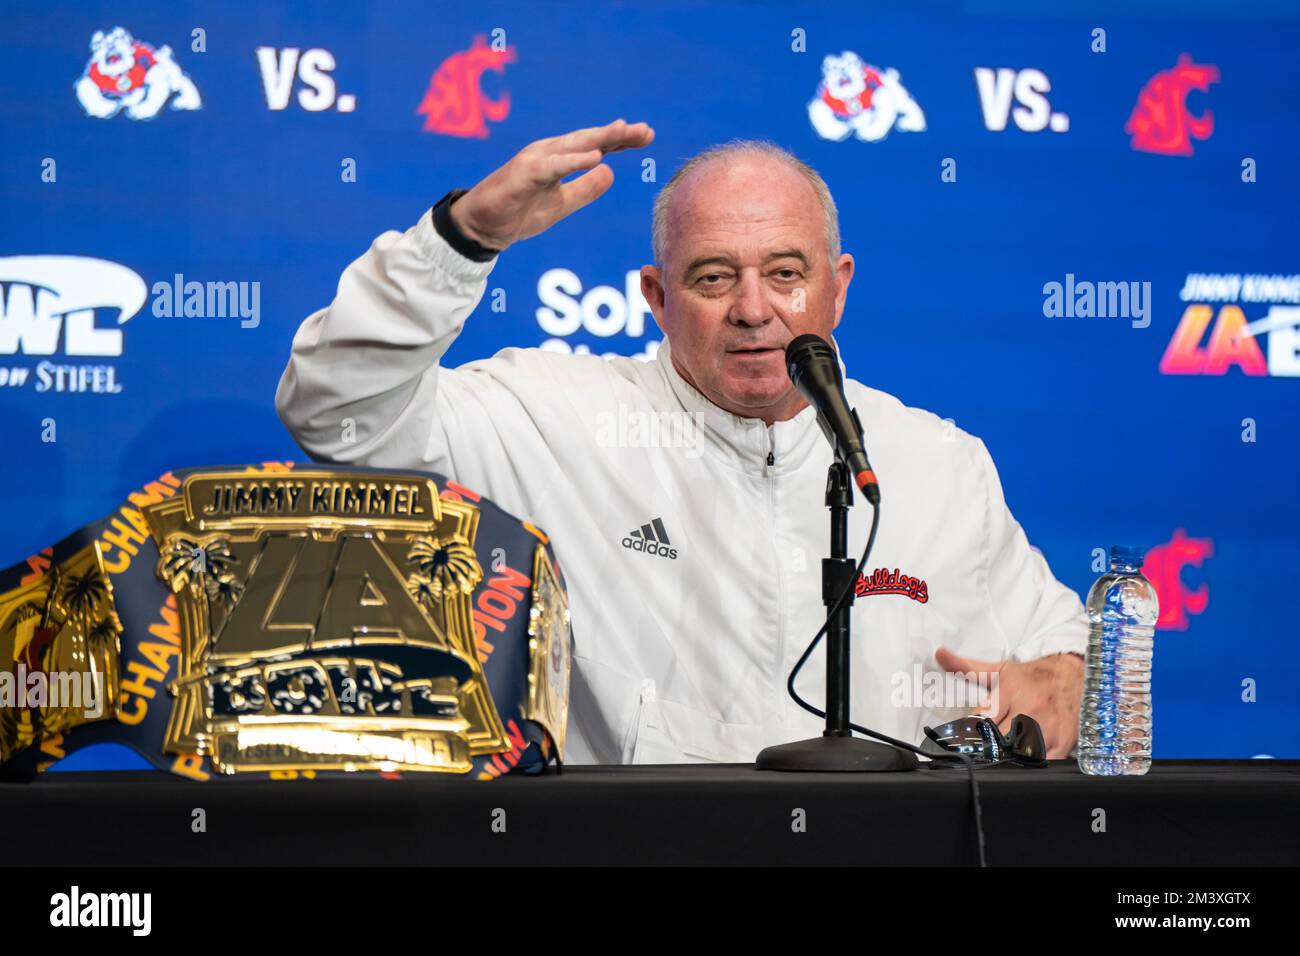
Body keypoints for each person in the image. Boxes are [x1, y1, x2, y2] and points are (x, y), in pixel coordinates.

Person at [276, 119, 1086, 764]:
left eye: (786, 272)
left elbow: (1074, 654)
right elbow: (337, 411)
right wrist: (458, 243)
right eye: (712, 277)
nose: (753, 308)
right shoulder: (558, 418)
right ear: (657, 299)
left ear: (837, 288)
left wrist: (1070, 683)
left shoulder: (936, 464)